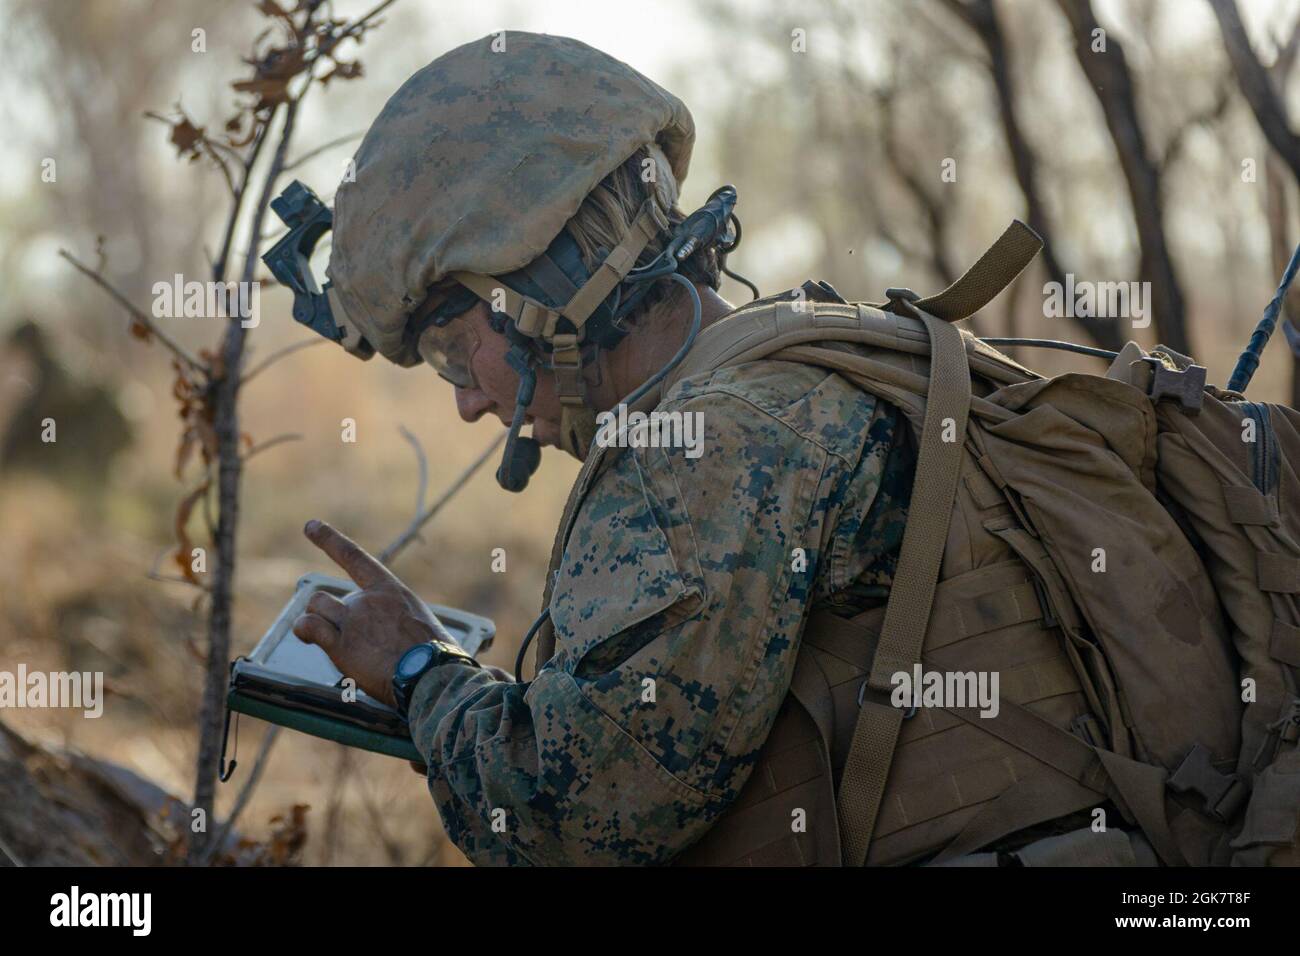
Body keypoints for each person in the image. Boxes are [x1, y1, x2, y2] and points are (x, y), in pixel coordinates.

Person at [288, 31, 915, 865]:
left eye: (451, 354)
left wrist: (415, 670)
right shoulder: (811, 356)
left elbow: (568, 820)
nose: (470, 404)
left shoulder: (698, 456)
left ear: (539, 297)